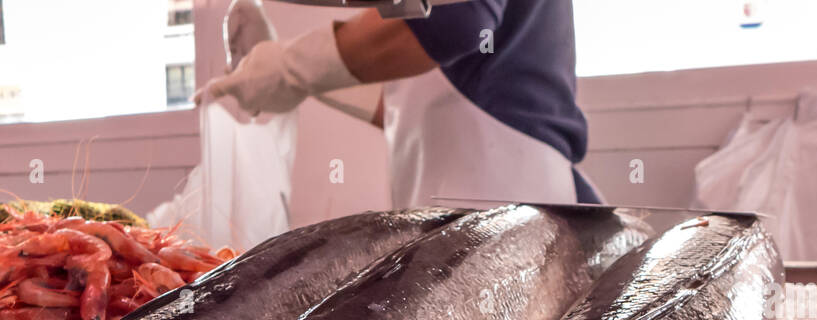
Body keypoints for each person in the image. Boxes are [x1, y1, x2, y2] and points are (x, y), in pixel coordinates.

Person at [197, 0, 598, 208]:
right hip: (477, 194)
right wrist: (287, 70)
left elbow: (459, 19)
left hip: (506, 198)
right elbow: (415, 110)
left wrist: (292, 66)